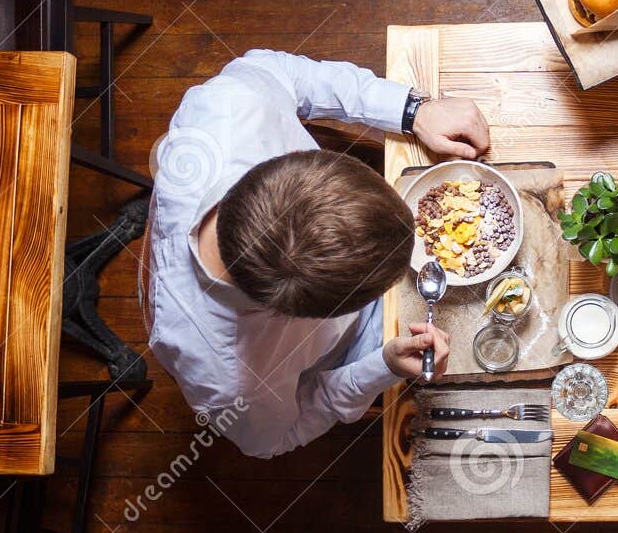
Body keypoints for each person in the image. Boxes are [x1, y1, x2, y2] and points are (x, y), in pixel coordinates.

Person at [144, 49, 490, 458]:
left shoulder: (227, 106)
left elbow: (283, 72)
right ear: (308, 316)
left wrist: (412, 110)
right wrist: (382, 367)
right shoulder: (232, 381)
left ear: (299, 162)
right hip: (350, 346)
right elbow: (277, 438)